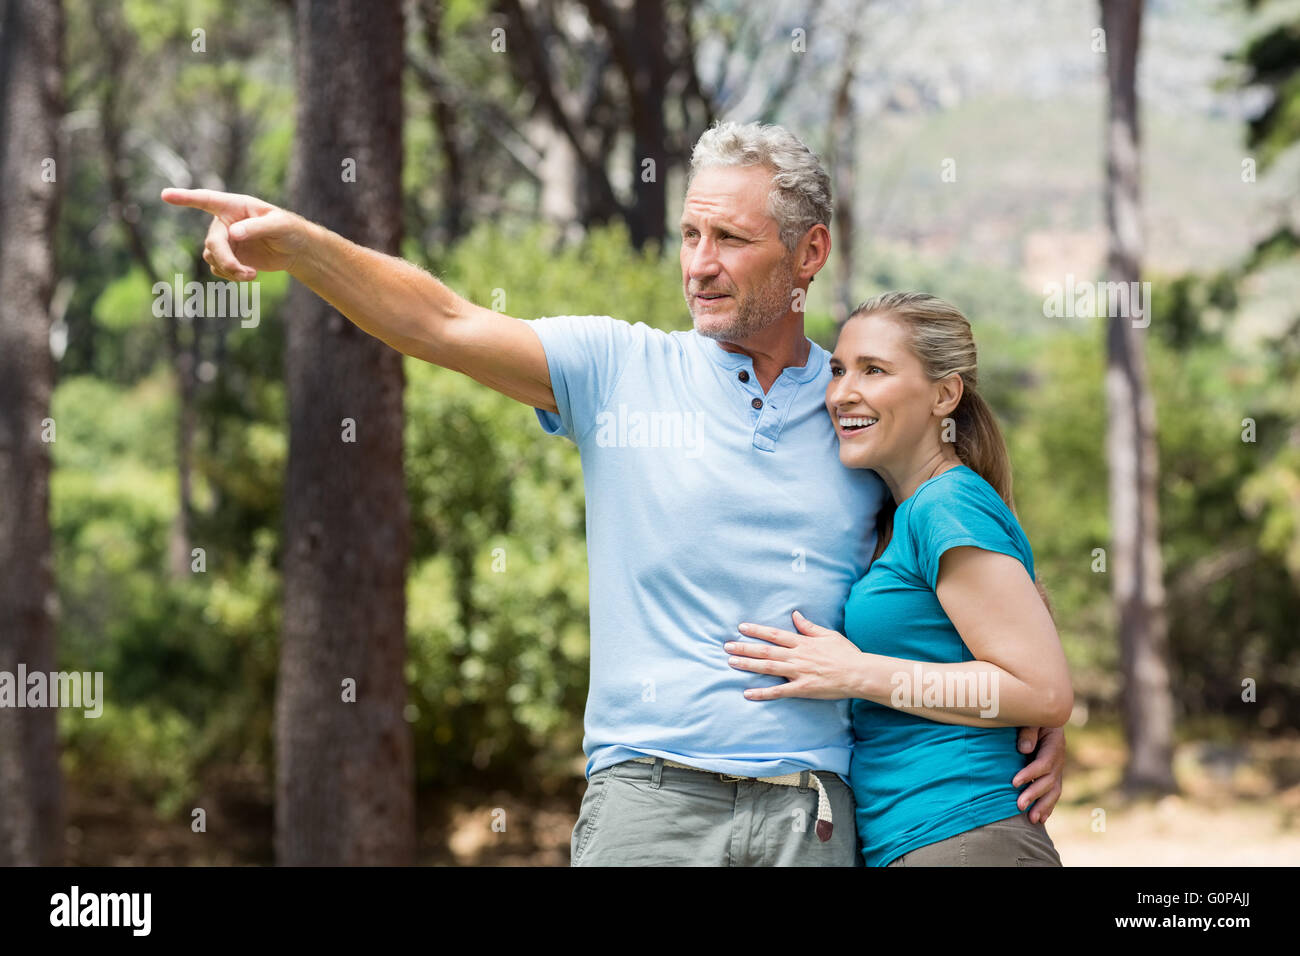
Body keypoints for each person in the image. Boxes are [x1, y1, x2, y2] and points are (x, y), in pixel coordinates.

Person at [161, 121, 1065, 866]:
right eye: (689, 234)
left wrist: (1023, 724)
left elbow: (962, 577)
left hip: (814, 817)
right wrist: (301, 246)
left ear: (808, 253)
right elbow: (439, 322)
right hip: (650, 805)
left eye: (732, 240)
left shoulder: (855, 408)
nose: (699, 264)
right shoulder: (618, 368)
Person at [724, 291, 1071, 866]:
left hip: (965, 835)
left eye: (874, 370)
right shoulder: (906, 511)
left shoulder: (948, 503)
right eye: (837, 370)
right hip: (922, 843)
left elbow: (1044, 691)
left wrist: (857, 672)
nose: (842, 393)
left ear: (945, 394)